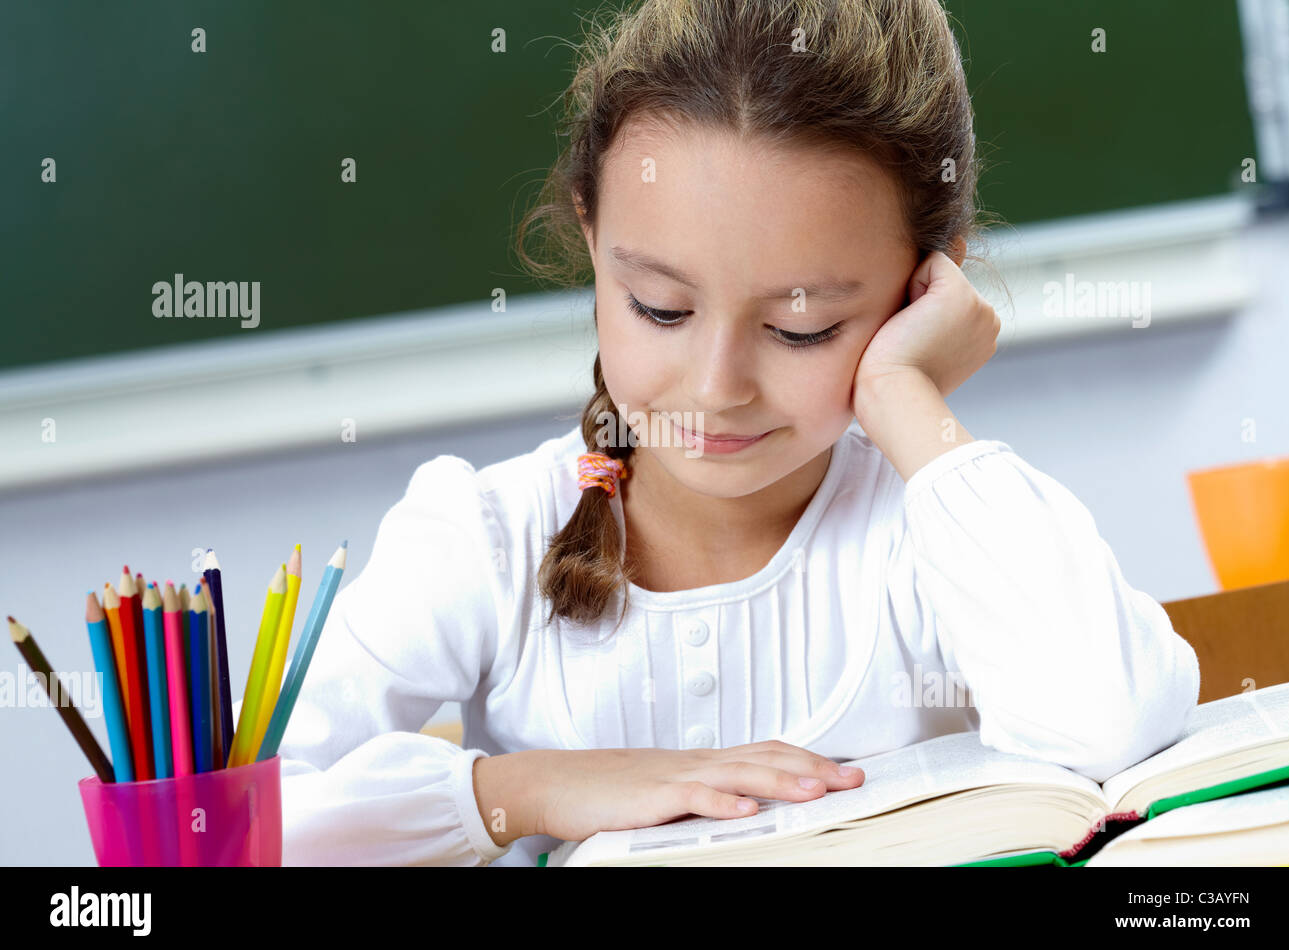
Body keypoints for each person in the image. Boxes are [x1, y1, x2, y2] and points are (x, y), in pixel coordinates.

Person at [271, 0, 1200, 866]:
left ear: (926, 289)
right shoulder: (484, 541)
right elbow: (220, 826)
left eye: (802, 331)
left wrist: (909, 399)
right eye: (661, 309)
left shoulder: (925, 538)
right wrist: (526, 788)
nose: (716, 391)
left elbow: (1110, 720)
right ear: (593, 241)